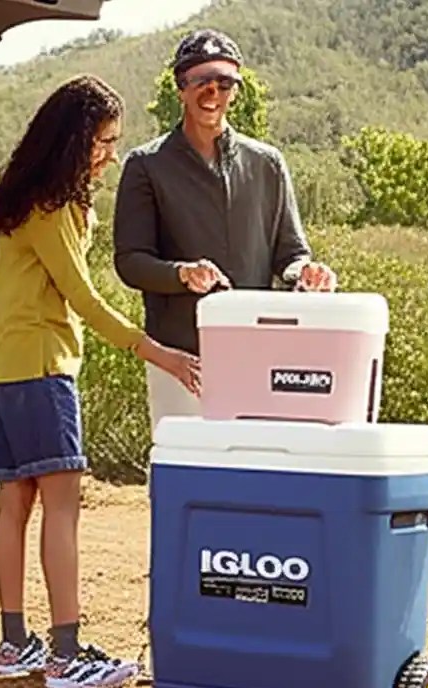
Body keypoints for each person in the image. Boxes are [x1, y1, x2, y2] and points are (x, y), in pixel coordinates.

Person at [0, 74, 199, 688]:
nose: (108, 154)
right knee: (63, 504)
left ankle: (14, 641)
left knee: (16, 502)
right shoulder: (53, 209)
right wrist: (154, 350)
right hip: (44, 365)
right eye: (102, 142)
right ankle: (66, 651)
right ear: (74, 142)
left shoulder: (25, 201)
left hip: (5, 368)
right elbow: (82, 296)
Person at [112, 28, 337, 430]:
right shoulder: (146, 166)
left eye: (224, 83)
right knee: (187, 472)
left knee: (253, 471)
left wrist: (304, 272)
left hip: (260, 352)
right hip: (182, 358)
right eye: (202, 82)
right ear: (181, 87)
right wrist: (182, 273)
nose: (213, 92)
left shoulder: (268, 163)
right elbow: (130, 262)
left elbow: (290, 252)